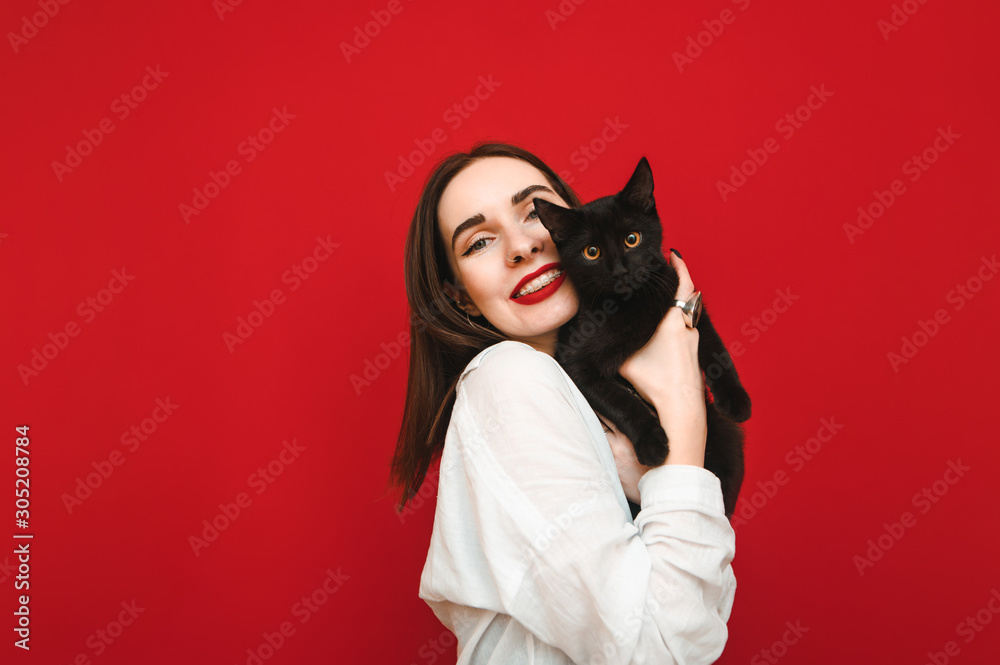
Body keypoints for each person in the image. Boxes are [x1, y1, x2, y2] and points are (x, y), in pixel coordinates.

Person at [389, 142, 736, 664]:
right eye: (479, 242)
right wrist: (684, 402)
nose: (521, 247)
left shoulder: (580, 398)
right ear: (459, 295)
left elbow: (696, 616)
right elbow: (658, 650)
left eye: (533, 213)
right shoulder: (508, 378)